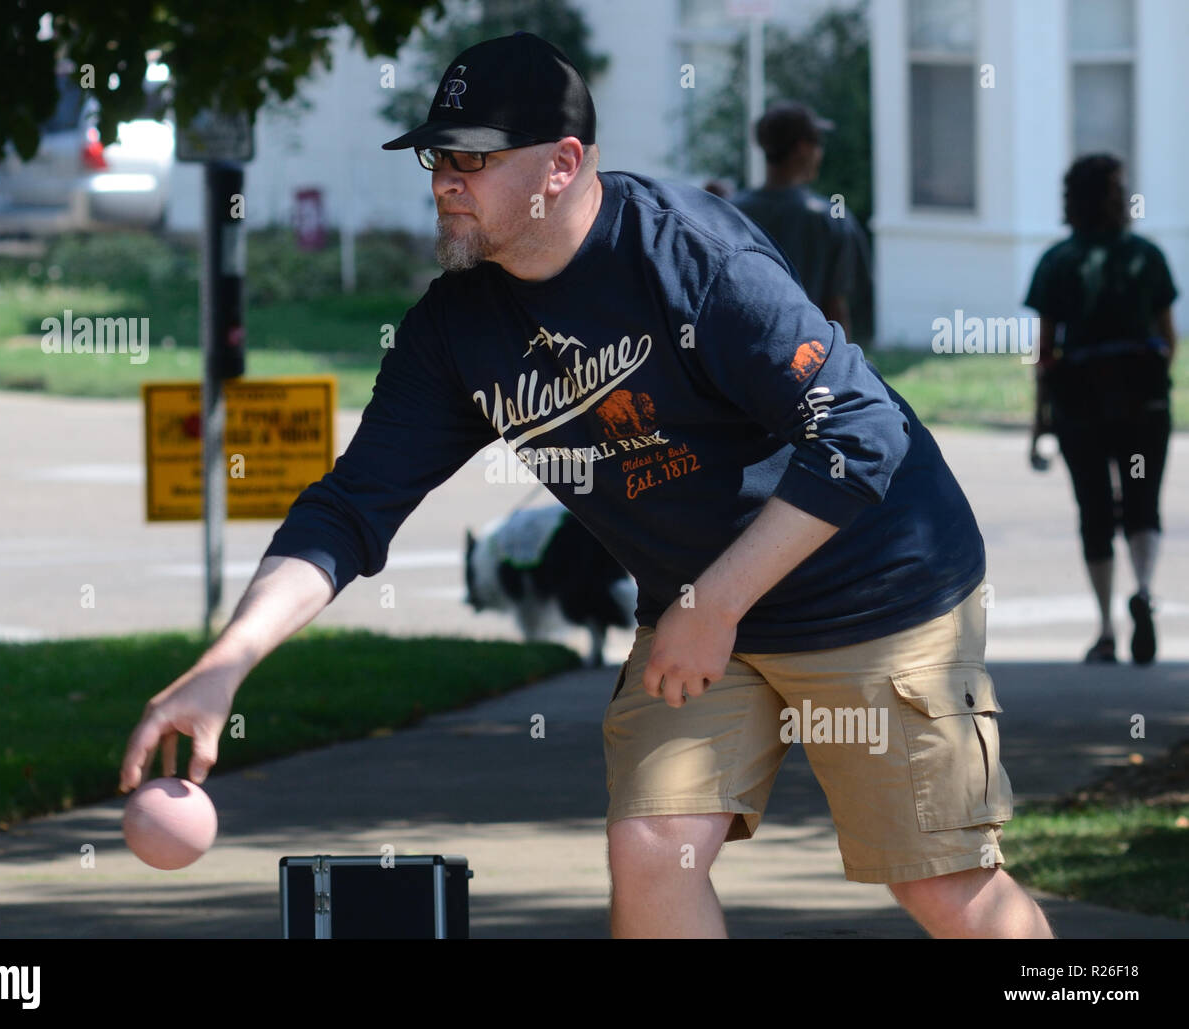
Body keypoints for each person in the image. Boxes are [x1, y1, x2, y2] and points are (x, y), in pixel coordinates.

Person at [119, 32, 1051, 939]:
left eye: (472, 160)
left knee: (942, 882)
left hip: (873, 588)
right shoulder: (457, 329)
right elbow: (349, 507)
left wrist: (712, 605)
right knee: (653, 845)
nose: (445, 180)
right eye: (435, 157)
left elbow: (860, 430)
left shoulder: (691, 259)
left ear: (562, 164)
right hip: (702, 610)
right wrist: (226, 662)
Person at [1026, 154, 1178, 666]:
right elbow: (1167, 337)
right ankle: (1145, 589)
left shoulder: (1056, 262)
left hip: (1079, 405)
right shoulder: (1147, 256)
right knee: (1143, 504)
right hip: (1145, 403)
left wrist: (1039, 423)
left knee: (1094, 510)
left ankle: (1106, 629)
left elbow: (1045, 355)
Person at [729, 101, 871, 342]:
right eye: (818, 143)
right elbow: (836, 308)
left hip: (741, 355)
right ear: (803, 148)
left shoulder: (730, 212)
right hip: (806, 360)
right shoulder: (830, 220)